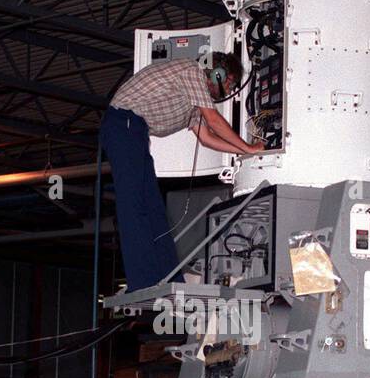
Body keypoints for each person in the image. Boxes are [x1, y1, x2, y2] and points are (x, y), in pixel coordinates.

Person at [101, 52, 264, 290]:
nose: (229, 90)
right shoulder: (192, 72)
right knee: (133, 207)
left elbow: (207, 138)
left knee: (154, 209)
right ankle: (143, 280)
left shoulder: (193, 100)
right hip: (122, 125)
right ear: (217, 74)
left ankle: (169, 277)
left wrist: (245, 153)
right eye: (229, 83)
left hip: (134, 132)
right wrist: (247, 146)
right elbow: (215, 121)